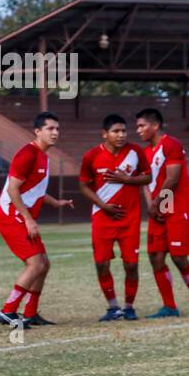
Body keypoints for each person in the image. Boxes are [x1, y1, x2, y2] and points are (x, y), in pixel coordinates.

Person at [0, 111, 74, 328]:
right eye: (50, 128)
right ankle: (8, 311)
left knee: (43, 264)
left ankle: (29, 314)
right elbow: (13, 189)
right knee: (36, 264)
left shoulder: (43, 156)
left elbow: (34, 191)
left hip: (21, 215)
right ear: (37, 131)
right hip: (11, 215)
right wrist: (29, 219)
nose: (55, 132)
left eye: (57, 128)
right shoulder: (27, 154)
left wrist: (56, 202)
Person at [79, 114, 151, 321]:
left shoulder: (135, 151)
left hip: (130, 219)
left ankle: (129, 307)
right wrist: (103, 206)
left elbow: (148, 177)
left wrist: (126, 179)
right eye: (115, 131)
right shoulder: (91, 156)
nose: (121, 135)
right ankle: (113, 308)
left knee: (131, 265)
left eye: (123, 131)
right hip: (102, 218)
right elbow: (83, 186)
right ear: (104, 134)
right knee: (102, 264)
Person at [136, 108, 189, 318]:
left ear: (155, 125)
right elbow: (146, 182)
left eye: (142, 126)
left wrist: (157, 203)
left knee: (179, 258)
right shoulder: (145, 152)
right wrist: (151, 205)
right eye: (137, 126)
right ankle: (170, 306)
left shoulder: (171, 144)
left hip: (177, 209)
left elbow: (172, 179)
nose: (138, 130)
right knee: (155, 257)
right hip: (158, 210)